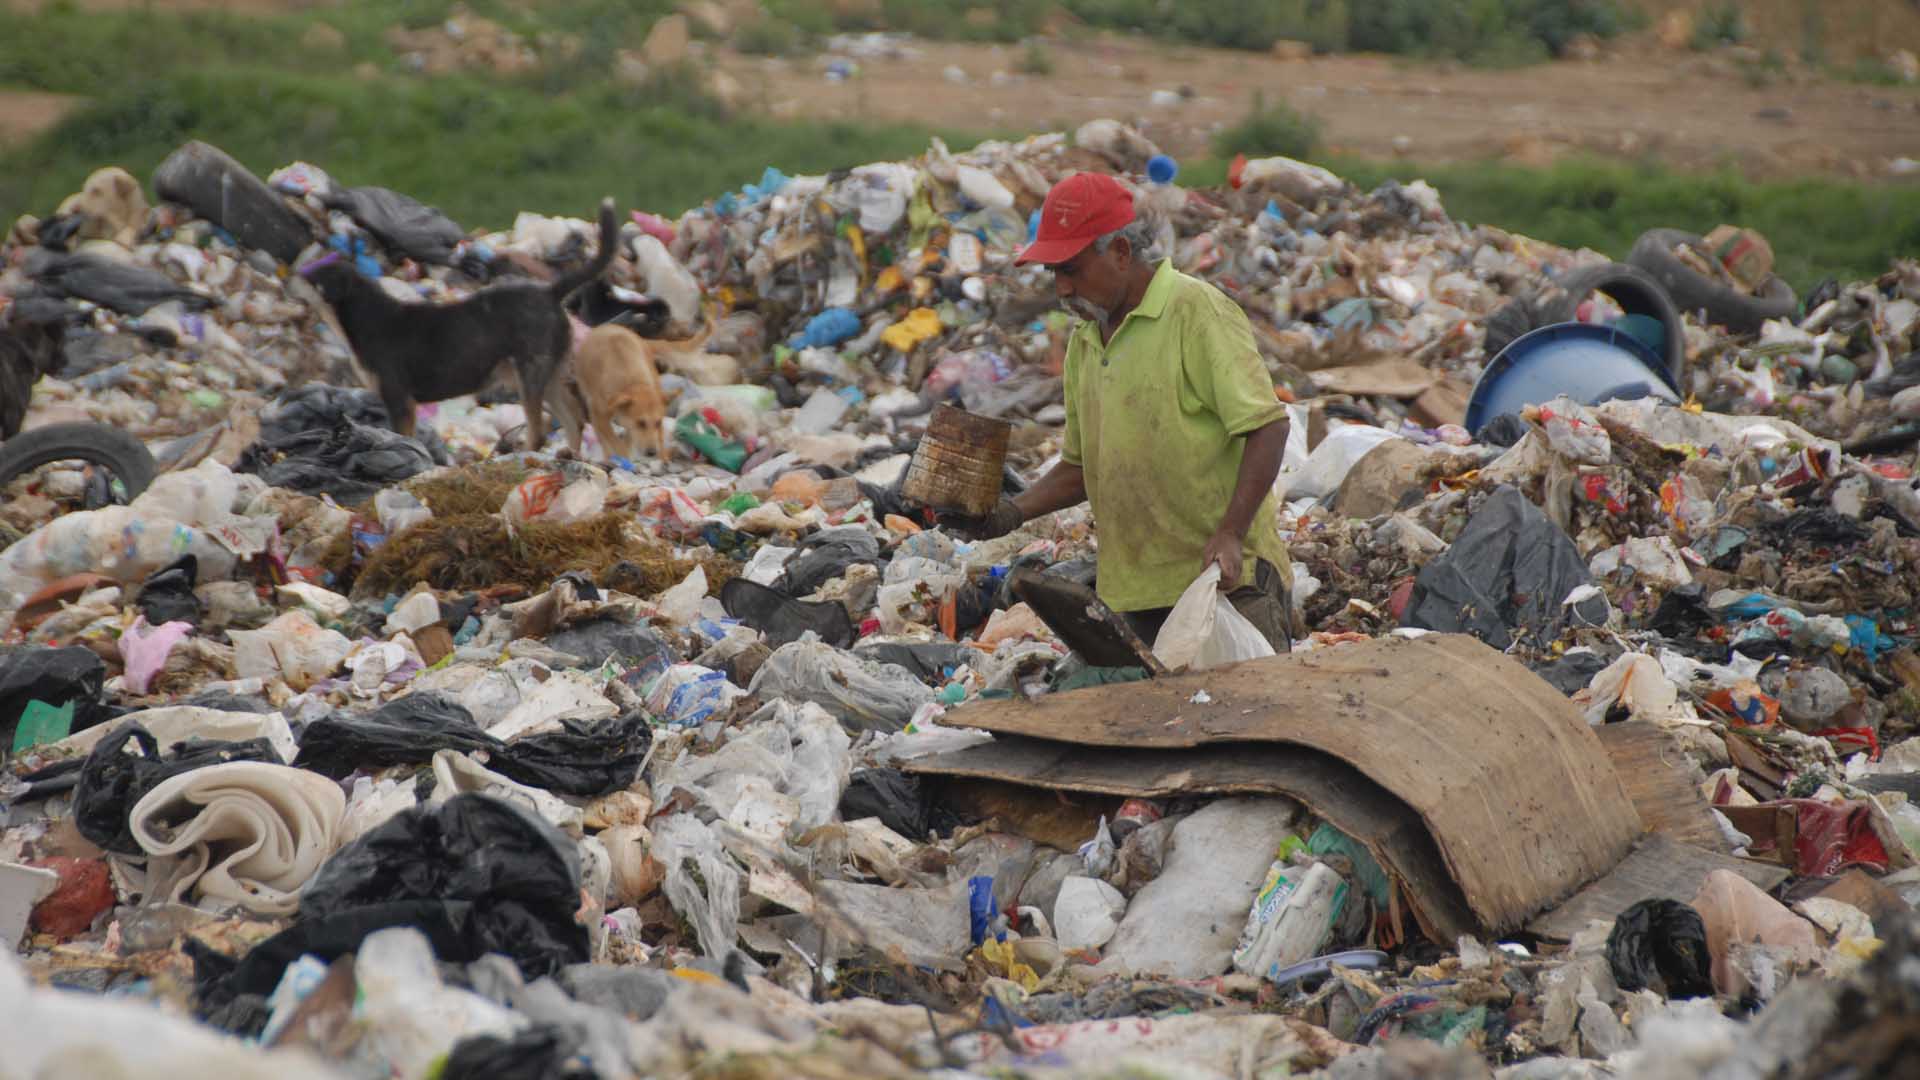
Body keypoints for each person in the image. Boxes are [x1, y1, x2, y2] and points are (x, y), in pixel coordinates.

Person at [952, 171, 1295, 651]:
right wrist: (1010, 513)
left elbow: (1268, 427)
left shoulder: (1194, 311)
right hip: (1137, 593)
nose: (1063, 289)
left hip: (1225, 584)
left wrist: (1230, 533)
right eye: (1054, 274)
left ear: (1120, 252)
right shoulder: (1086, 342)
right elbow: (1080, 467)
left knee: (1242, 719)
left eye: (1072, 269)